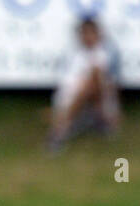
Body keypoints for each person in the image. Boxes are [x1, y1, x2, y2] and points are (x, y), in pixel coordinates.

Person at [48, 16, 121, 152]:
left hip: (98, 98)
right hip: (72, 97)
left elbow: (108, 83)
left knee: (93, 78)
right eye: (85, 33)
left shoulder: (105, 53)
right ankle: (64, 128)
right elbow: (65, 85)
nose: (88, 37)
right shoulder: (72, 54)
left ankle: (59, 133)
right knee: (85, 86)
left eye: (91, 33)